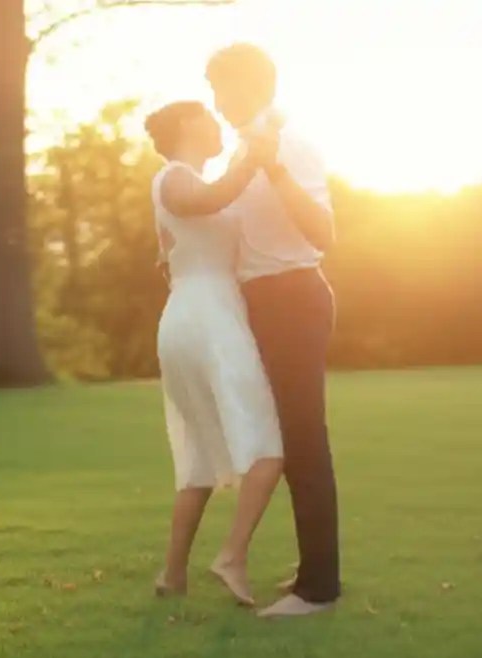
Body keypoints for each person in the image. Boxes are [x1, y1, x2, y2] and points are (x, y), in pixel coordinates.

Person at [207, 43, 341, 617]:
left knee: (303, 438)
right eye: (212, 89)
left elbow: (323, 233)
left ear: (258, 86)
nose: (217, 101)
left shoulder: (292, 149)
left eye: (225, 87)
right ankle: (316, 565)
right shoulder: (238, 154)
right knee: (283, 439)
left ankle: (318, 589)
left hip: (294, 298)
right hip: (258, 304)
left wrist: (274, 167)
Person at [146, 100, 284, 607]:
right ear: (186, 124)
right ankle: (231, 556)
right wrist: (255, 155)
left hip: (191, 312)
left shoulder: (192, 182)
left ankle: (173, 574)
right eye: (207, 116)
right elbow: (211, 198)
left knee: (201, 459)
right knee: (269, 445)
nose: (216, 124)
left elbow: (209, 207)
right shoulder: (175, 178)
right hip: (207, 315)